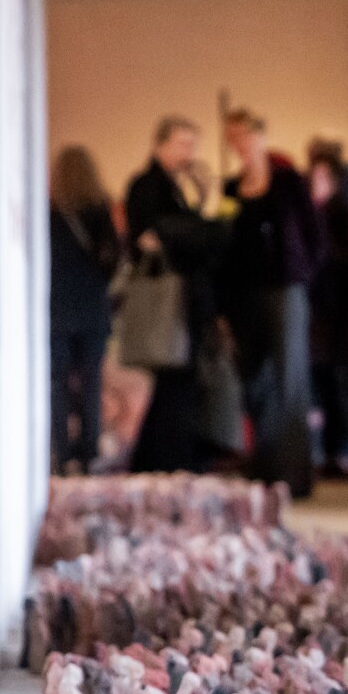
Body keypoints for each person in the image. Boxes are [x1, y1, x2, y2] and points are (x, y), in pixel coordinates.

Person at [215, 107, 323, 497]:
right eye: (232, 138)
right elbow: (223, 245)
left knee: (289, 376)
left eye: (245, 135)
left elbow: (314, 235)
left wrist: (302, 276)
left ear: (260, 136)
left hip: (284, 288)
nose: (240, 144)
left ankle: (293, 472)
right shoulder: (228, 190)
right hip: (243, 292)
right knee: (254, 377)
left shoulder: (289, 183)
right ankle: (263, 463)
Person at [121, 116, 226, 473]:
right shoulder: (147, 186)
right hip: (169, 297)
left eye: (192, 145)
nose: (189, 153)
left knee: (179, 381)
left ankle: (163, 457)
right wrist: (195, 230)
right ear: (159, 144)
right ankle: (163, 459)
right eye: (182, 144)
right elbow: (152, 237)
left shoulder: (177, 187)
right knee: (174, 380)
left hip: (184, 296)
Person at [46, 144, 120, 474]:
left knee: (58, 383)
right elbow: (113, 258)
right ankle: (89, 453)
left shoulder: (48, 214)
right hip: (92, 307)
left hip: (57, 309)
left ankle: (63, 454)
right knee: (91, 384)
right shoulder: (100, 211)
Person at [304, 138, 348, 480]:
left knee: (340, 387)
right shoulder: (304, 217)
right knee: (314, 388)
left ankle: (342, 454)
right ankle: (318, 453)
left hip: (340, 316)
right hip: (312, 316)